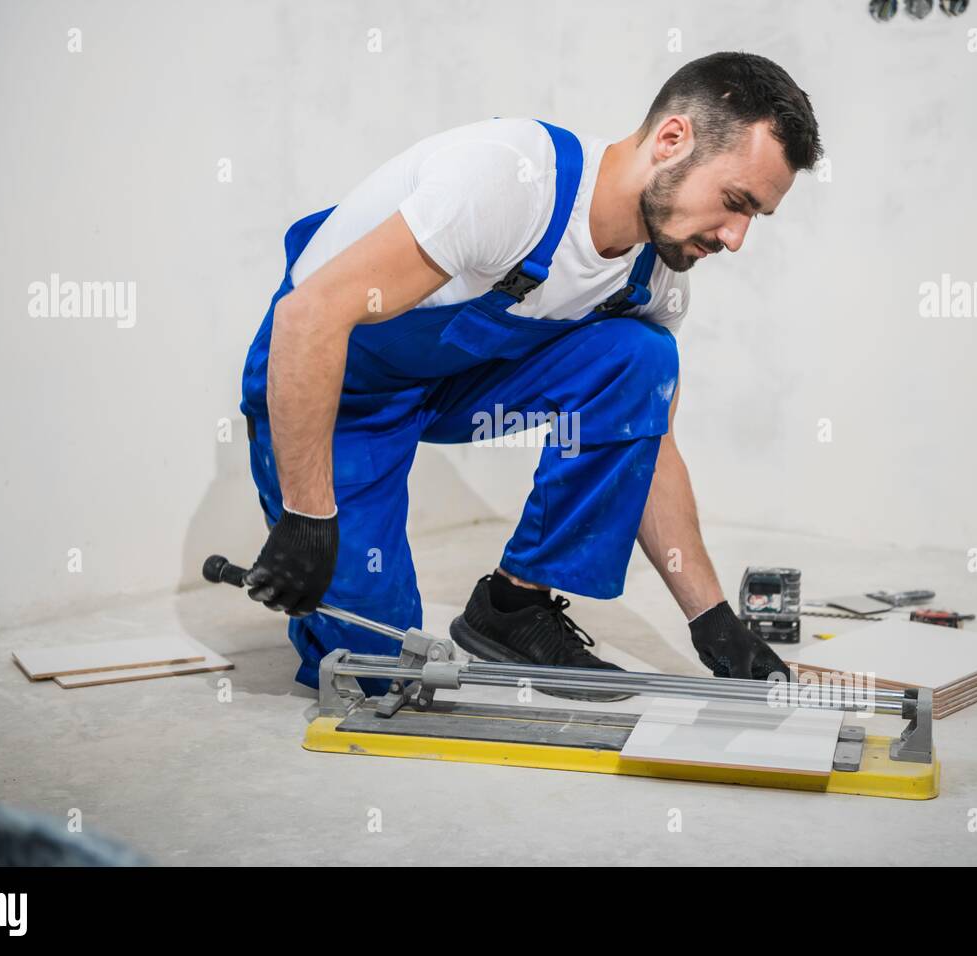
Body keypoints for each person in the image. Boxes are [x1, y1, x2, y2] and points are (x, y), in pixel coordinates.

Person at [238, 52, 821, 699]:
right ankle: (345, 571)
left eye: (754, 217)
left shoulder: (658, 277)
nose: (737, 237)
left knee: (641, 356)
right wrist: (308, 516)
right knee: (381, 674)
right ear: (672, 140)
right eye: (734, 202)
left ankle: (514, 605)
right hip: (337, 384)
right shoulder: (510, 183)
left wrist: (712, 618)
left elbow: (647, 441)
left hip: (454, 381)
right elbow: (307, 318)